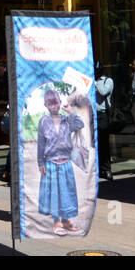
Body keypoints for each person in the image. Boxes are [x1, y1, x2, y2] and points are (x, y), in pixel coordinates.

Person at [36, 88, 86, 236]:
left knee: (67, 193)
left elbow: (79, 125)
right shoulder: (43, 121)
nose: (54, 106)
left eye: (56, 103)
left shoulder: (66, 120)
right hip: (50, 163)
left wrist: (71, 112)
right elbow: (40, 143)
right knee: (54, 194)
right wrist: (40, 163)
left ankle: (67, 220)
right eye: (50, 104)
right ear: (45, 105)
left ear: (60, 102)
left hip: (65, 163)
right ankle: (56, 222)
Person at [94, 63, 115, 180]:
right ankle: (97, 169)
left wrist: (95, 82)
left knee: (103, 143)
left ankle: (106, 169)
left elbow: (103, 92)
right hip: (92, 114)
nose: (96, 72)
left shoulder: (108, 81)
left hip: (102, 114)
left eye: (97, 70)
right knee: (94, 143)